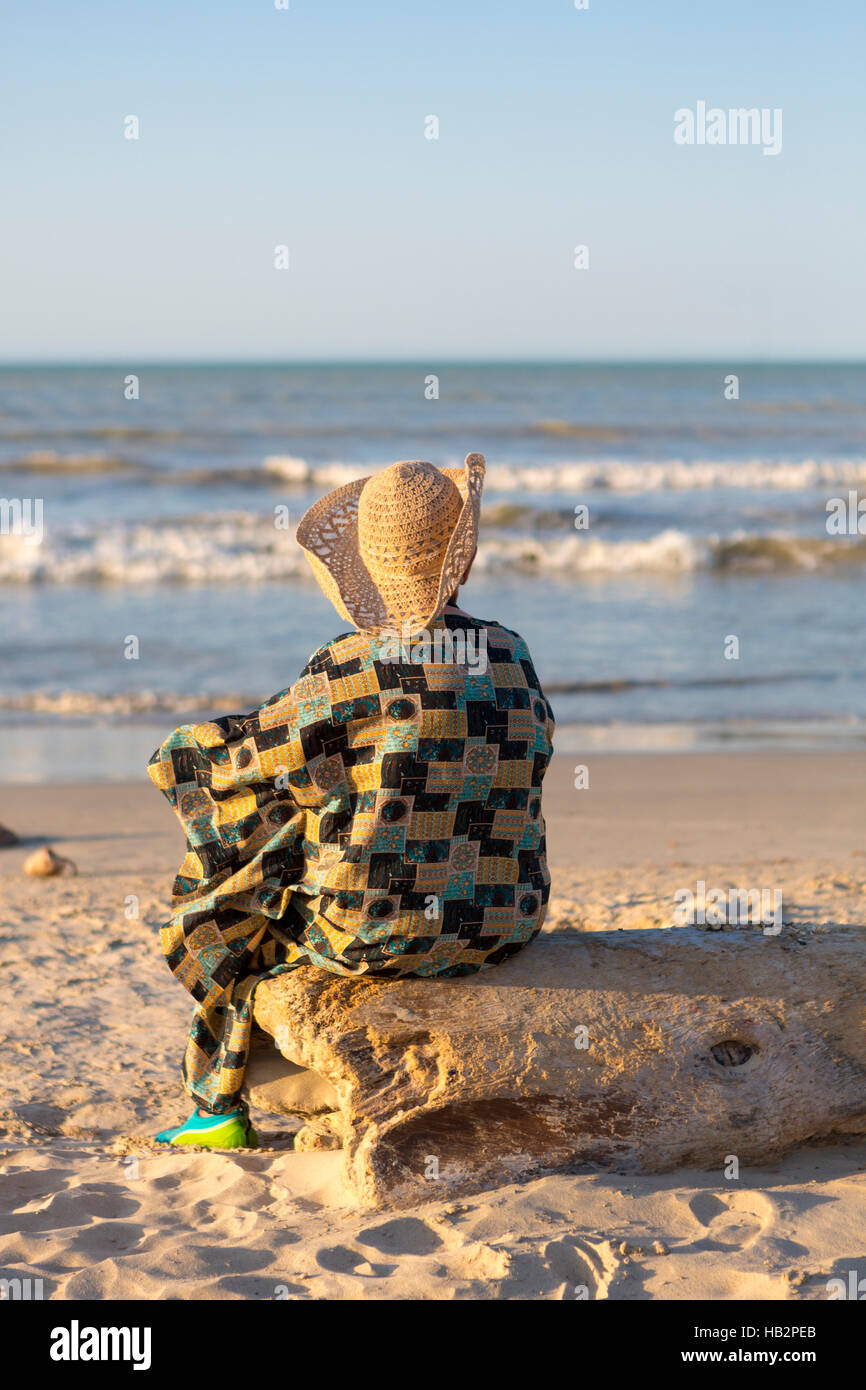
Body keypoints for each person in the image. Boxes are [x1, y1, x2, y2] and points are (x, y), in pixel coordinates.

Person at [149, 454, 555, 1148]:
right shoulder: (510, 653)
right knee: (348, 795)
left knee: (245, 868)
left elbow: (247, 757)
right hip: (502, 923)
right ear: (462, 554)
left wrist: (182, 751)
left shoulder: (351, 665)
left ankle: (217, 1107)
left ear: (368, 564)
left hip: (372, 934)